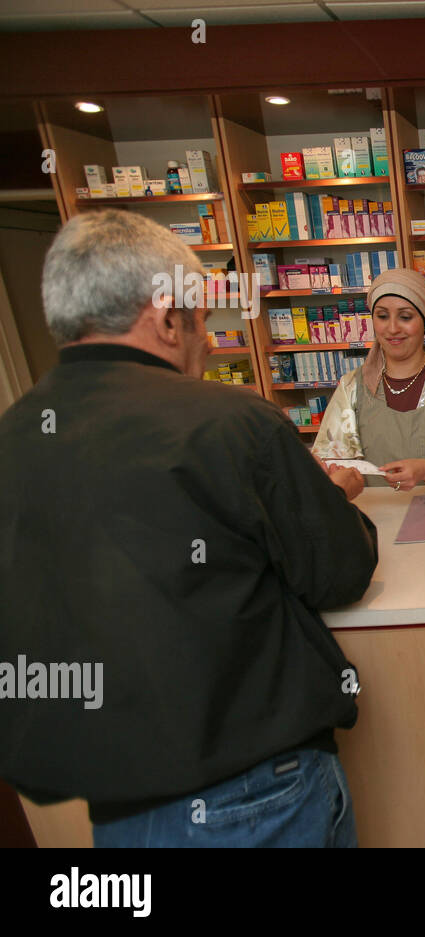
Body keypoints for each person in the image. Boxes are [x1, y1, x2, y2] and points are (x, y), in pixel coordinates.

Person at [0, 210, 378, 847]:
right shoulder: (229, 422)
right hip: (257, 795)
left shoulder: (13, 438)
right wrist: (332, 501)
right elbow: (338, 571)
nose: (209, 341)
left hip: (115, 809)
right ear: (167, 316)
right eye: (202, 319)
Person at [312, 268, 425, 489]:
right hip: (377, 516)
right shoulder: (351, 386)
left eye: (405, 317)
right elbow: (332, 462)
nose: (392, 328)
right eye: (382, 316)